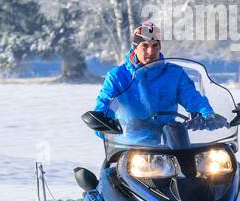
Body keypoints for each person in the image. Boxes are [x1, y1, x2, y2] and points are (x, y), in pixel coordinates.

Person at [92, 20, 226, 132]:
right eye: (145, 46)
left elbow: (192, 98)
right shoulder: (117, 77)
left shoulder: (174, 74)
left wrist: (208, 114)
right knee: (112, 165)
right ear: (135, 48)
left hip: (172, 140)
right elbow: (104, 106)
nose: (151, 51)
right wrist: (103, 125)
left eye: (155, 45)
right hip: (132, 144)